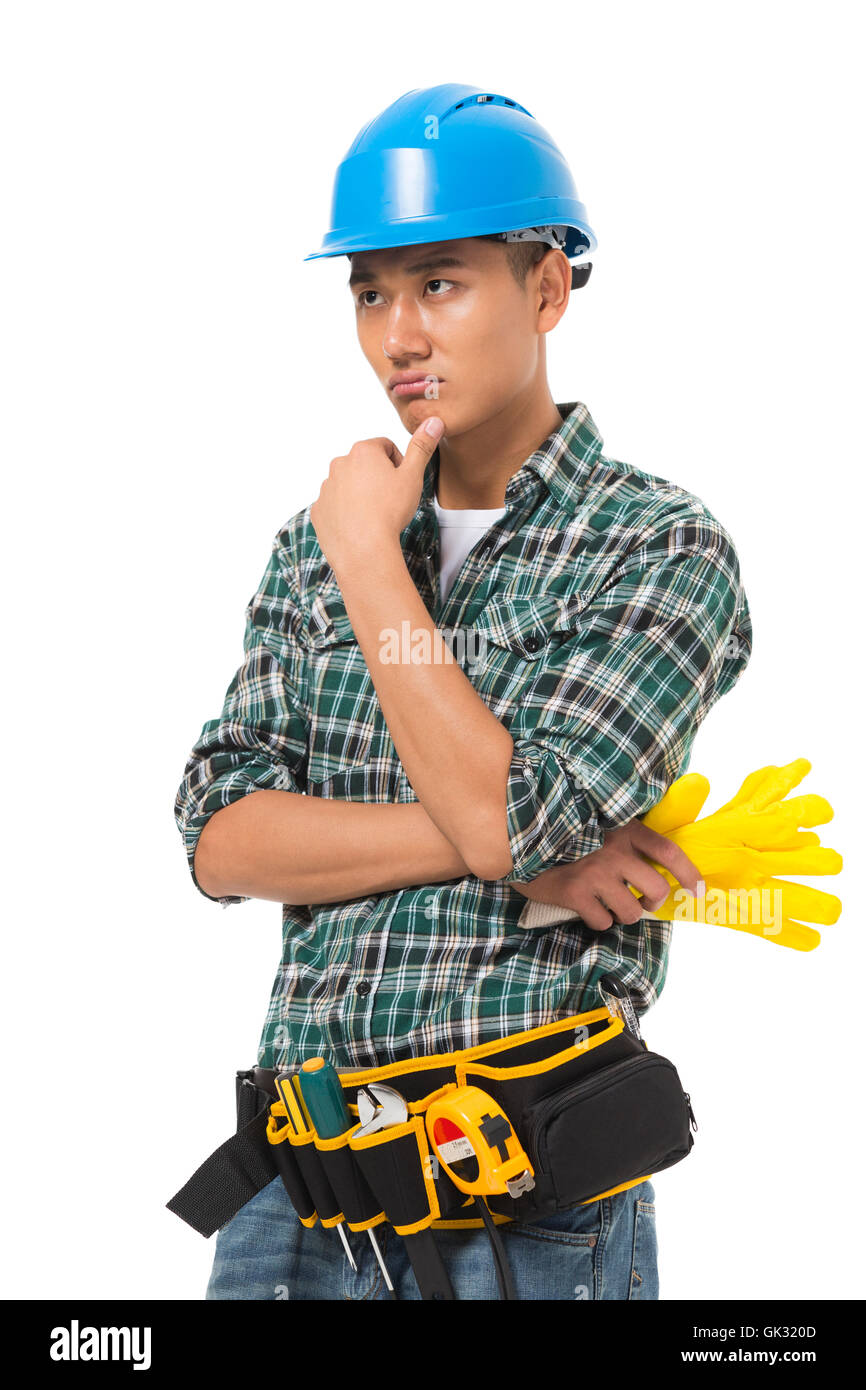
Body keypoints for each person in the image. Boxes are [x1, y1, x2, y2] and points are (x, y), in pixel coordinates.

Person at [173, 84, 752, 1301]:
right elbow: (221, 837)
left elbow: (512, 819)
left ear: (545, 288)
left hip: (517, 1222)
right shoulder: (311, 543)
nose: (396, 337)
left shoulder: (652, 546)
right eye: (368, 292)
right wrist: (512, 853)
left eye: (438, 282)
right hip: (290, 1200)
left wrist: (376, 567)